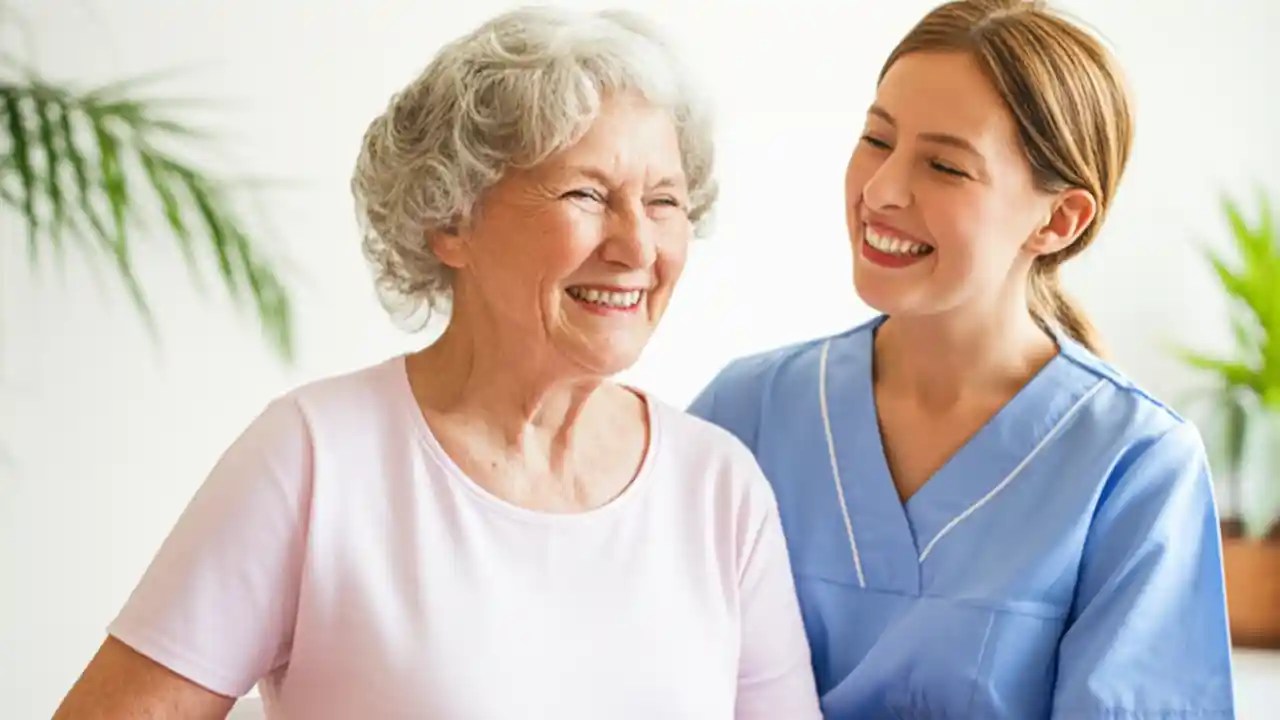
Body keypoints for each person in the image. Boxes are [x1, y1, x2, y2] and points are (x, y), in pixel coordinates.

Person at [54, 7, 821, 719]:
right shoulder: (317, 456)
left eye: (664, 202)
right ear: (450, 219)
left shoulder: (720, 489)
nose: (637, 247)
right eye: (588, 193)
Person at [690, 1, 1235, 717]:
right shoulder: (747, 412)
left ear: (1058, 219)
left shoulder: (1134, 466)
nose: (882, 190)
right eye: (876, 139)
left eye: (945, 166)